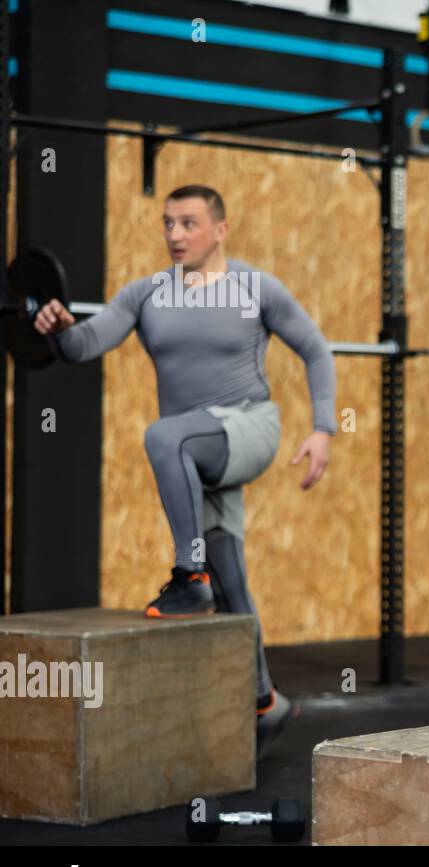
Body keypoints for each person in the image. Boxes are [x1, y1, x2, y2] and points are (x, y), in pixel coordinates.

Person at [32, 184, 337, 755]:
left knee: (162, 435)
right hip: (195, 450)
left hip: (248, 427)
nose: (175, 234)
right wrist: (55, 327)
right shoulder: (145, 295)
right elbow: (84, 345)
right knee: (233, 576)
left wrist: (322, 429)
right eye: (169, 223)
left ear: (220, 230)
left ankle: (187, 577)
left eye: (189, 223)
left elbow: (316, 349)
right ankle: (266, 700)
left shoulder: (256, 288)